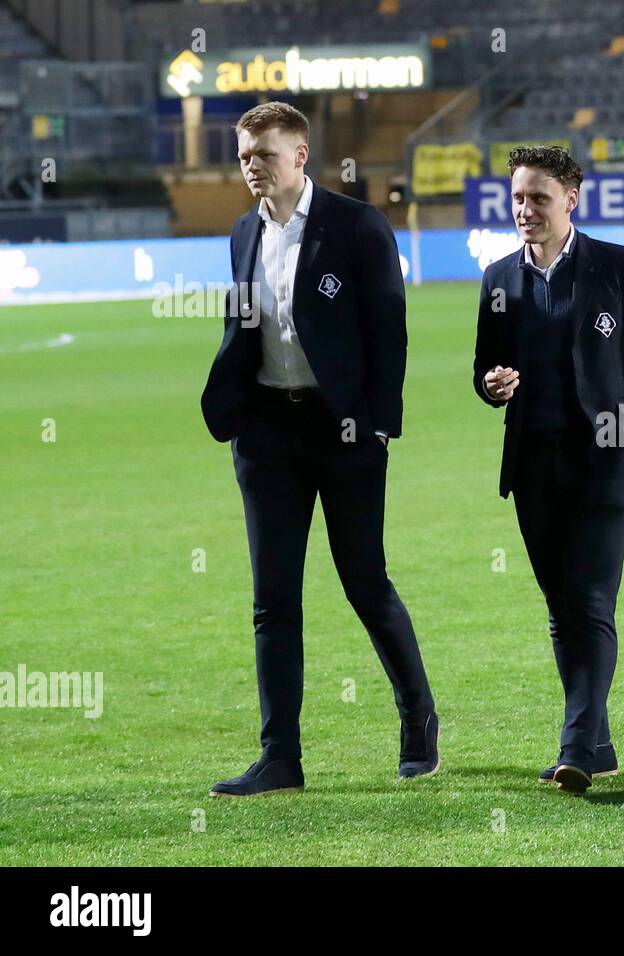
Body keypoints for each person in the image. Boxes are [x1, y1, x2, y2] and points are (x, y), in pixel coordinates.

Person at [201, 102, 439, 797]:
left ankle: (417, 716)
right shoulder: (245, 231)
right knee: (272, 601)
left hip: (344, 432)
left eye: (264, 155)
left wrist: (376, 423)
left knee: (365, 583)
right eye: (244, 156)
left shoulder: (357, 226)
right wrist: (238, 413)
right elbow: (243, 326)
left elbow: (388, 333)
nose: (252, 167)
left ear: (300, 155)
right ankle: (281, 757)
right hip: (269, 435)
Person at [473, 145, 624, 795]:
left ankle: (575, 748)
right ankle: (600, 740)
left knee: (590, 600)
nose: (524, 209)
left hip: (604, 465)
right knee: (563, 609)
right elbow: (487, 368)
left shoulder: (619, 267)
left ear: (571, 199)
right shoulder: (500, 279)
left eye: (538, 197)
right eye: (516, 198)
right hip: (532, 464)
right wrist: (493, 384)